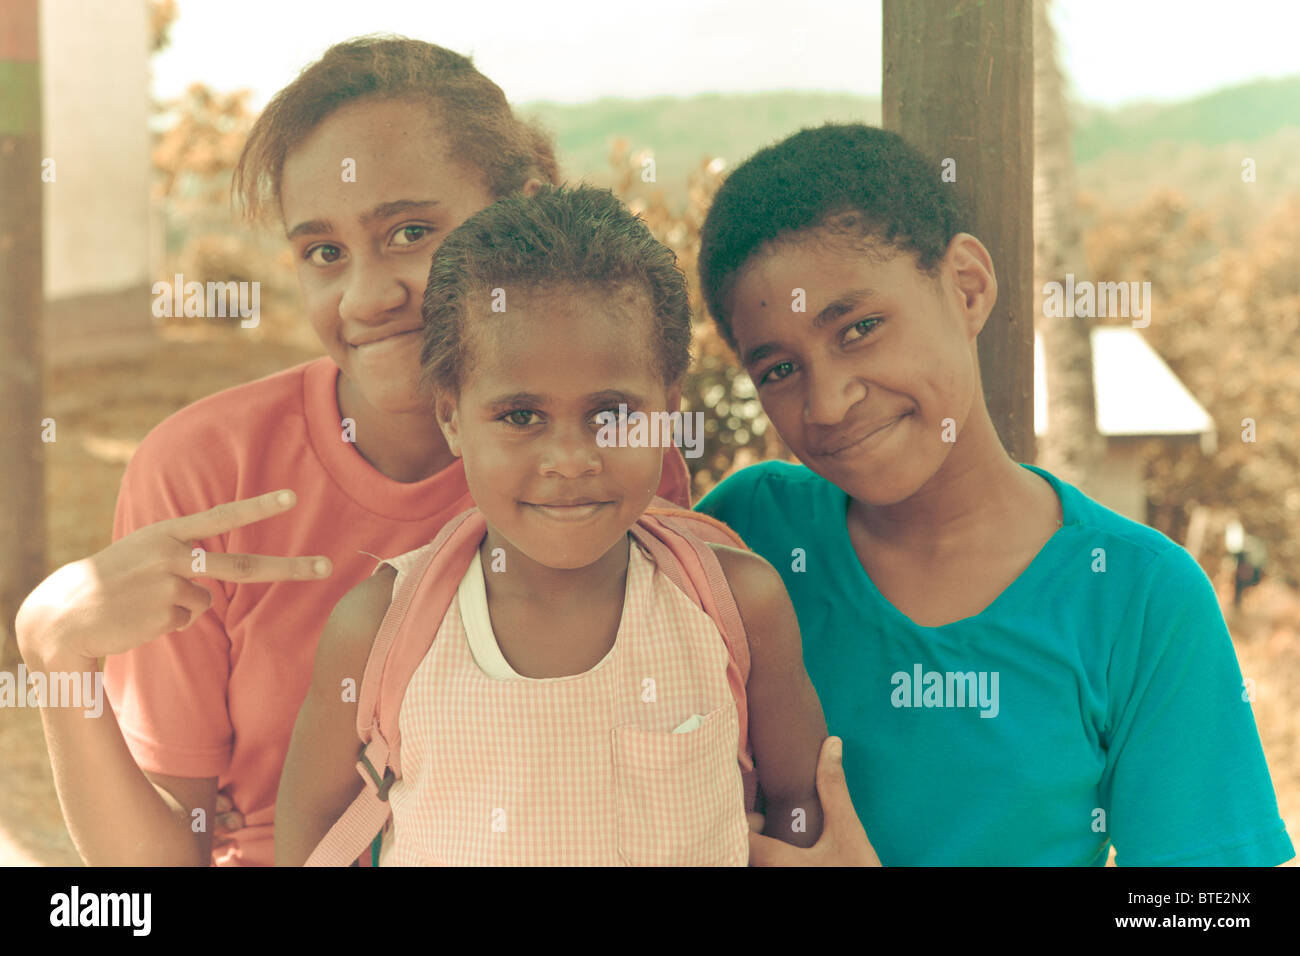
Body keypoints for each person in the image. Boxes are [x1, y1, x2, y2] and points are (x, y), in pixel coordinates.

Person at [14, 36, 691, 867]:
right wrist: (58, 659)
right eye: (324, 253)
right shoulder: (202, 473)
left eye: (409, 231)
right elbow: (163, 866)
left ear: (525, 206)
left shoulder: (605, 459)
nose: (367, 297)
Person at [694, 123, 1296, 866]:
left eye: (859, 328)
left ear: (968, 287)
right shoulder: (744, 535)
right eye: (778, 370)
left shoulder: (1139, 598)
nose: (828, 402)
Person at [275, 184, 828, 866]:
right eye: (520, 416)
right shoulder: (379, 632)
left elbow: (798, 802)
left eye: (612, 414)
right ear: (451, 416)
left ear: (668, 408)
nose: (570, 460)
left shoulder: (736, 605)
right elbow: (314, 823)